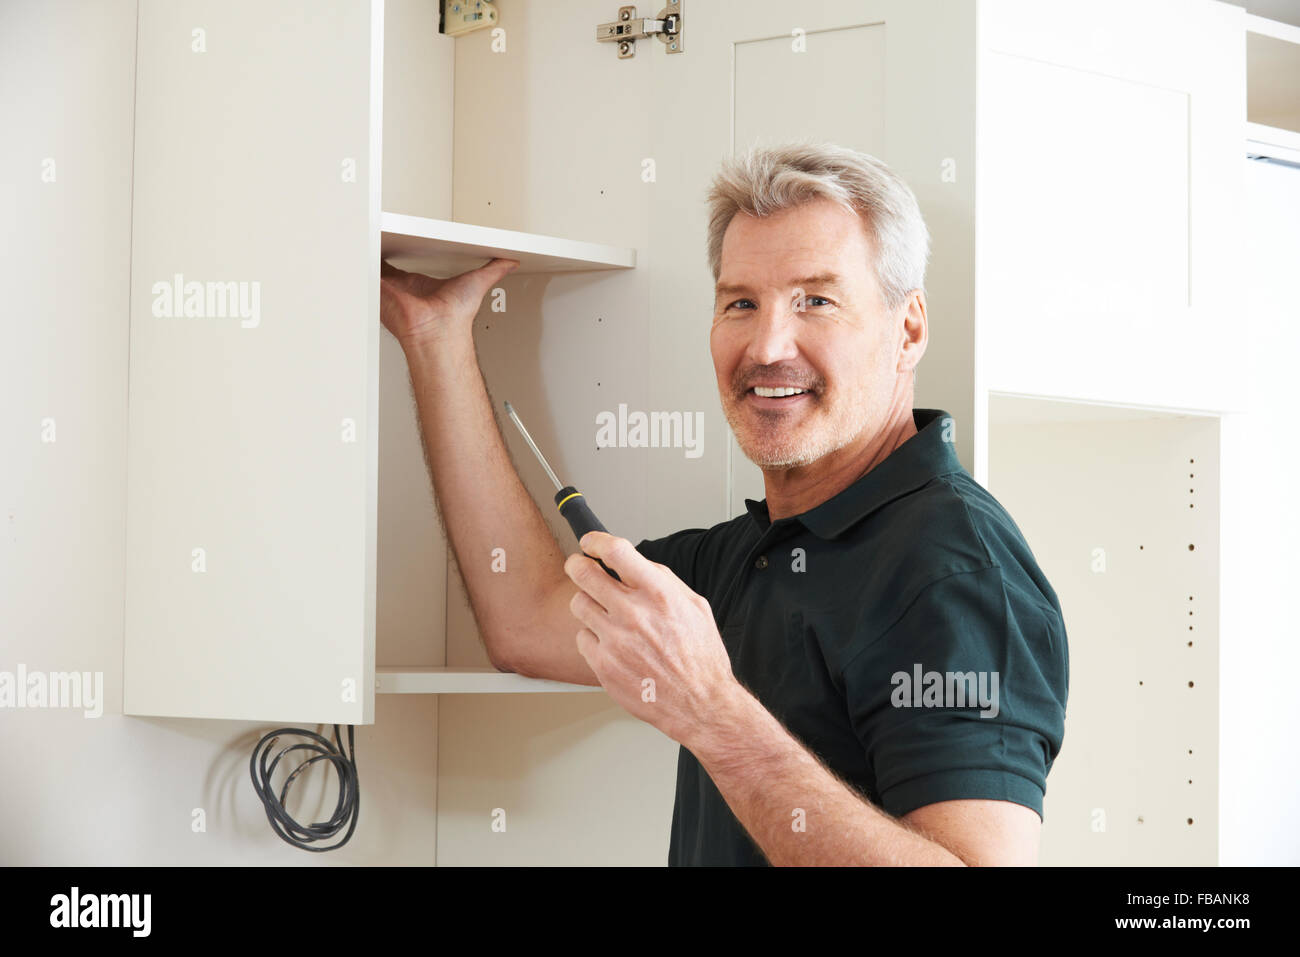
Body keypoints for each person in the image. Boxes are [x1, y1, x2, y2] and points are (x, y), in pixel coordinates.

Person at [379, 141, 1068, 866]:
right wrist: (434, 338)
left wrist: (711, 709)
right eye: (742, 302)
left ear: (909, 329)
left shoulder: (954, 572)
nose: (768, 346)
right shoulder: (747, 554)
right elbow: (527, 616)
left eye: (816, 300)